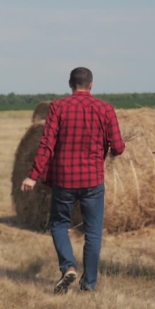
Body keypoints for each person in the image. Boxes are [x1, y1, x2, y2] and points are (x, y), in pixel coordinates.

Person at [21, 67, 125, 294]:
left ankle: (68, 266)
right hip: (93, 181)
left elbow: (46, 144)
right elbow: (118, 147)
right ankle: (89, 284)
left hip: (64, 179)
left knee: (59, 224)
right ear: (91, 85)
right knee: (93, 232)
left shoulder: (58, 107)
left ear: (70, 84)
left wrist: (33, 175)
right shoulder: (105, 109)